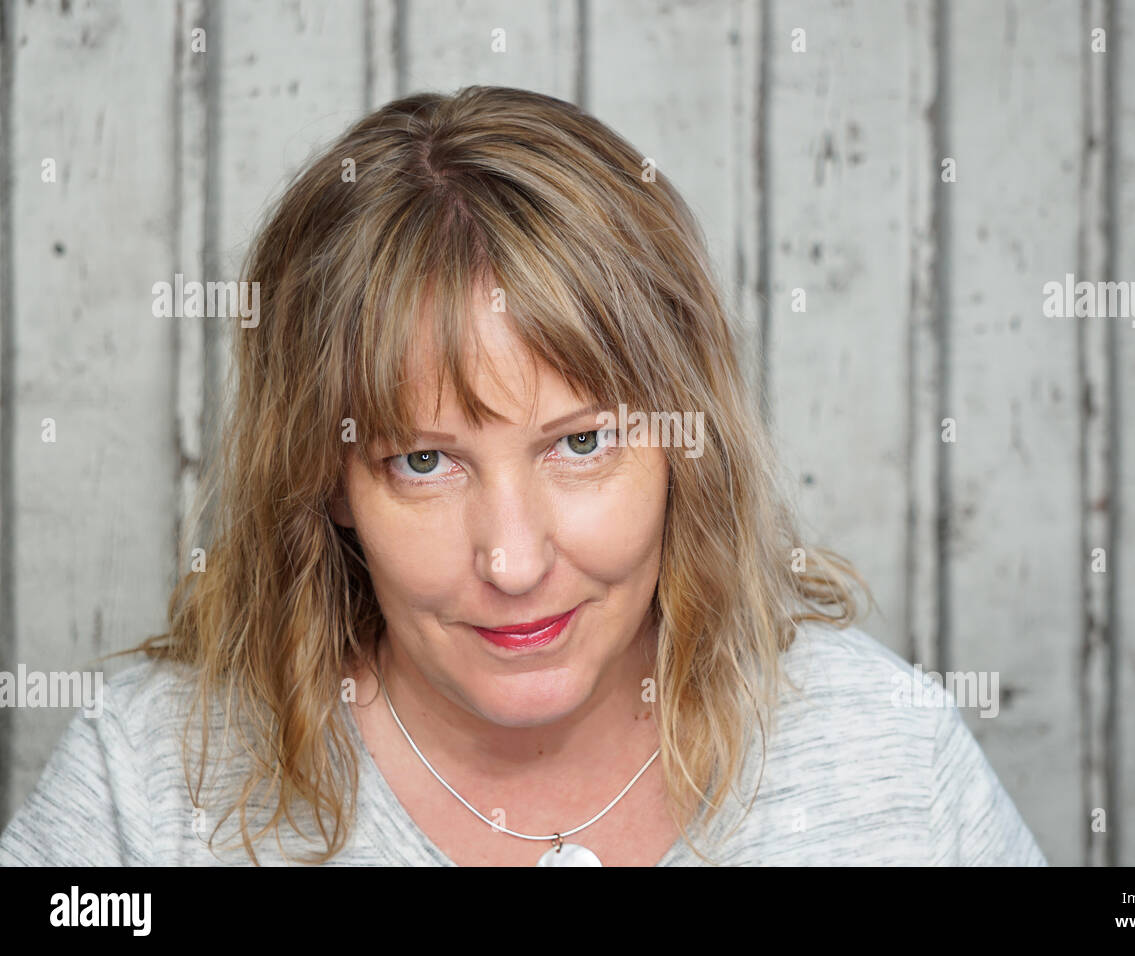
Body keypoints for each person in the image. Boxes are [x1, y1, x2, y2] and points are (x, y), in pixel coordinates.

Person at [0, 86, 1046, 867]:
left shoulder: (888, 756)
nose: (512, 559)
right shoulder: (147, 783)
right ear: (324, 479)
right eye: (422, 460)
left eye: (580, 444)